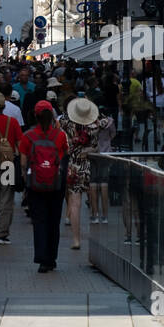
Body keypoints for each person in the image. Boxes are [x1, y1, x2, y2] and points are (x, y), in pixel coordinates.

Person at [19, 100, 69, 274]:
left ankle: (41, 258)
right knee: (54, 221)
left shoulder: (28, 136)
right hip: (56, 184)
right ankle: (51, 258)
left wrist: (27, 180)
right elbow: (65, 156)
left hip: (36, 185)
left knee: (39, 221)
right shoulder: (60, 136)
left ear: (35, 116)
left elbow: (23, 163)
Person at [60, 96, 114, 250]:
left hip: (75, 164)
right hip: (92, 162)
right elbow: (107, 120)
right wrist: (91, 106)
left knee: (75, 202)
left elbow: (62, 117)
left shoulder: (67, 123)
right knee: (95, 190)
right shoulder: (95, 125)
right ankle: (98, 215)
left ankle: (76, 239)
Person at [0, 92, 23, 245]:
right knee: (7, 196)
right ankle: (1, 233)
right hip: (8, 160)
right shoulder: (12, 122)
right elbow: (20, 144)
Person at [88, 107, 116, 224]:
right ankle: (105, 216)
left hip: (93, 153)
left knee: (93, 183)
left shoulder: (90, 122)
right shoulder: (110, 122)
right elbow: (113, 134)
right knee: (104, 183)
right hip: (105, 153)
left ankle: (94, 215)